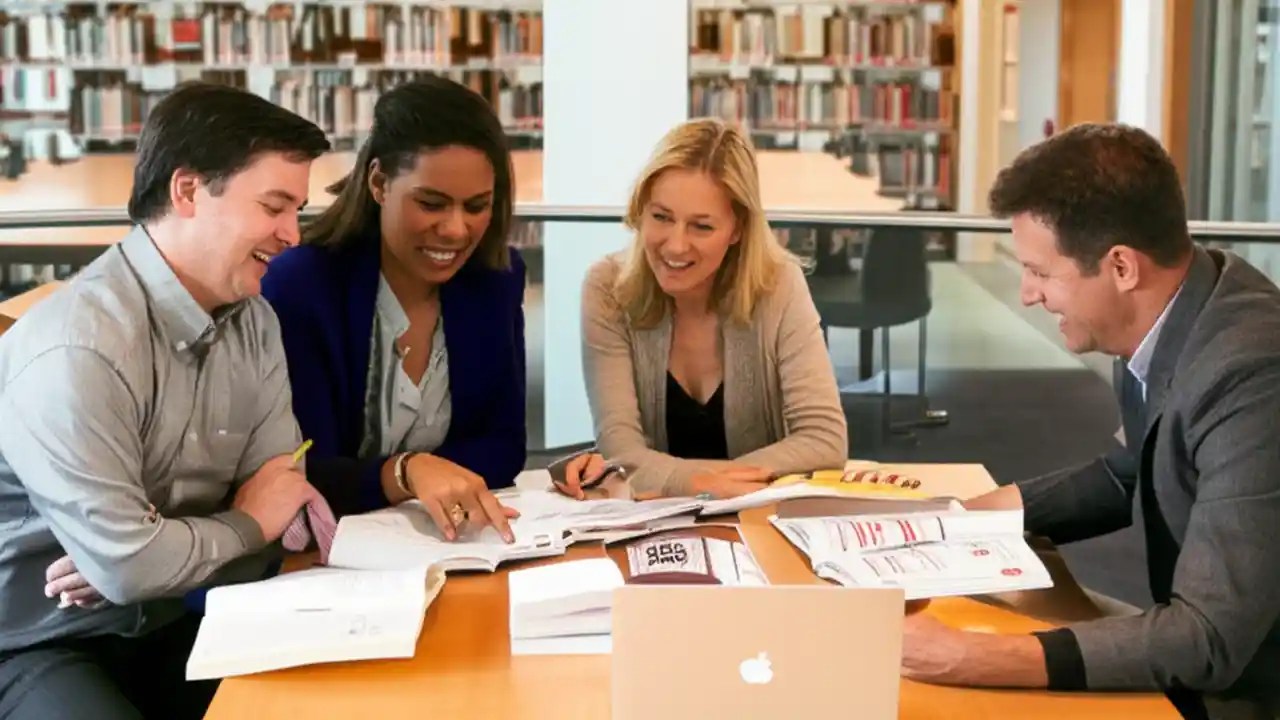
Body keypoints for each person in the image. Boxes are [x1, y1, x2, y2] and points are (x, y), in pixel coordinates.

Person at [899, 123, 1280, 720]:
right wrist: (969, 518)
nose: (1027, 294)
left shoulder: (1252, 373)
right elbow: (1133, 471)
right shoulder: (1180, 306)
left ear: (1121, 266)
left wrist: (975, 657)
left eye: (1042, 273)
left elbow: (1210, 639)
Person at [0, 81, 330, 719]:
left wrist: (152, 553)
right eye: (274, 206)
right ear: (187, 191)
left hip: (171, 616)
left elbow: (287, 509)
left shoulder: (254, 321)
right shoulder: (79, 350)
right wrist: (239, 522)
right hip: (38, 639)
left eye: (297, 210)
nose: (293, 234)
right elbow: (141, 564)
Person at [260, 77, 525, 542]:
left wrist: (400, 480)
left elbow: (505, 446)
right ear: (379, 182)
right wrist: (405, 473)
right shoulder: (302, 285)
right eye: (432, 203)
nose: (457, 230)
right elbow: (298, 470)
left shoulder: (496, 280)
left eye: (477, 206)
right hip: (329, 555)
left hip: (453, 542)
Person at [554, 118, 847, 501]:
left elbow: (825, 441)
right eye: (661, 217)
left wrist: (670, 477)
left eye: (702, 227)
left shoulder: (780, 286)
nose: (675, 245)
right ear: (641, 209)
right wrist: (693, 483)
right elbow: (620, 451)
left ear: (737, 229)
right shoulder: (607, 289)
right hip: (653, 528)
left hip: (761, 520)